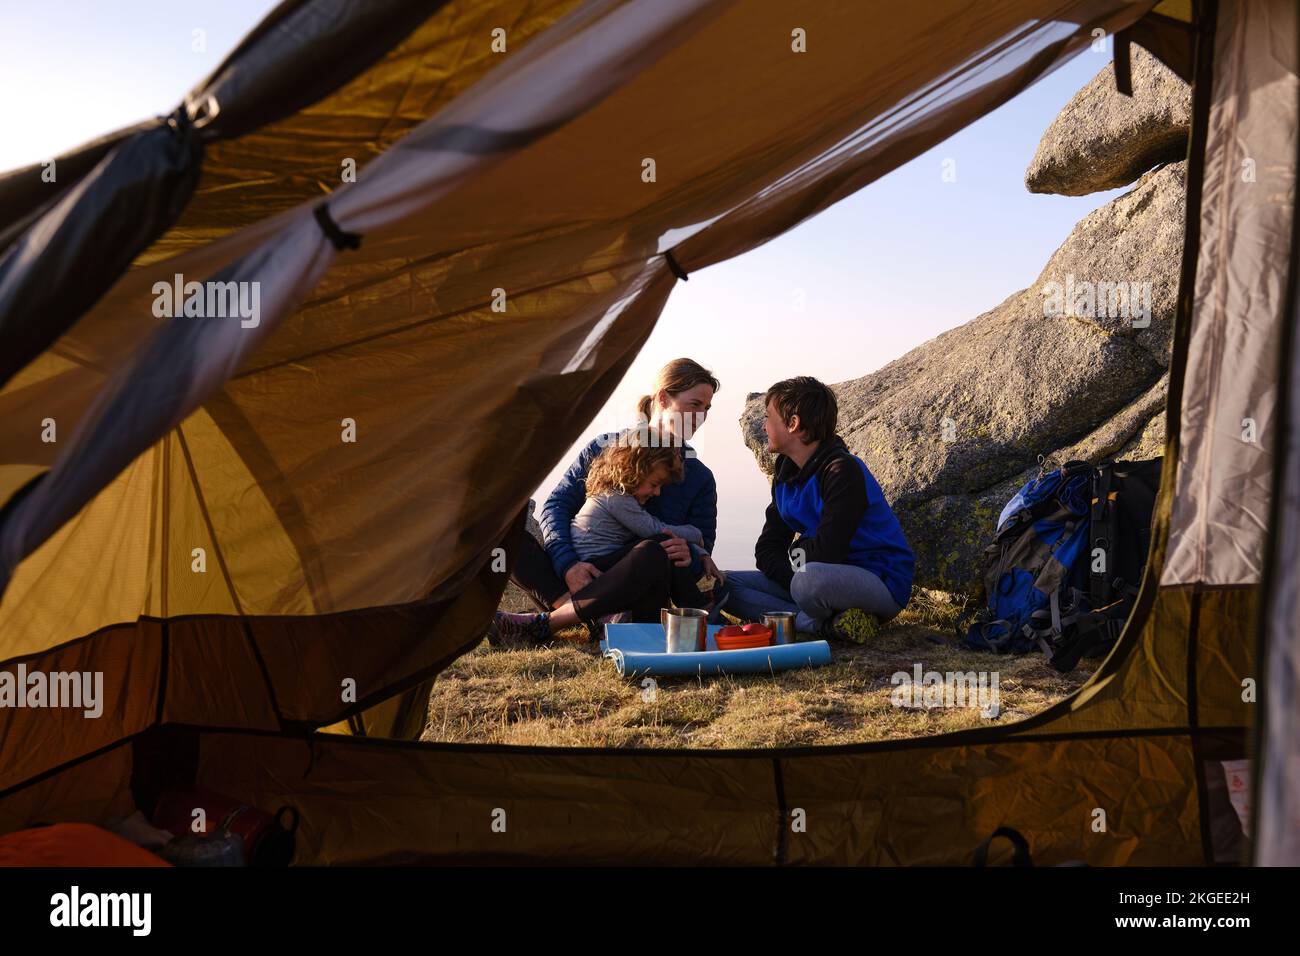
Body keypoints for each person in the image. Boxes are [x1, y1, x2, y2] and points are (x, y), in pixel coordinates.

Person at [492, 358, 724, 645]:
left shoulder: (700, 477)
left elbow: (703, 551)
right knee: (502, 536)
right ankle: (589, 615)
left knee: (654, 551)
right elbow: (557, 507)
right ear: (663, 398)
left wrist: (690, 556)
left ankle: (571, 618)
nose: (701, 416)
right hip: (579, 578)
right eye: (694, 404)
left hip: (636, 586)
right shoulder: (605, 449)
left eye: (707, 409)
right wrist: (568, 566)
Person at [723, 376, 914, 642]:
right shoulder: (786, 475)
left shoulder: (842, 470)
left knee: (808, 581)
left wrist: (793, 560)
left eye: (768, 417)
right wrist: (791, 570)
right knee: (728, 584)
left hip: (879, 579)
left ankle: (803, 617)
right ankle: (824, 624)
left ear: (793, 424)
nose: (763, 426)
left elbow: (829, 549)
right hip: (816, 573)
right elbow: (767, 547)